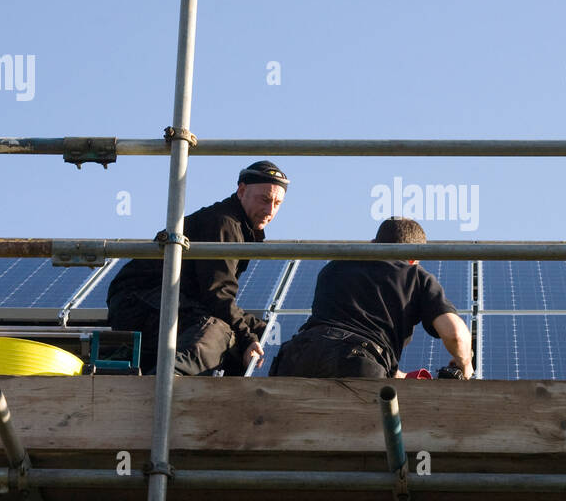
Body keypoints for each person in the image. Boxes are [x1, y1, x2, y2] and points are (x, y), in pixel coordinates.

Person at [106, 160, 288, 376]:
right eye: (265, 200)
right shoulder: (225, 224)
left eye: (277, 204)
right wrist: (248, 336)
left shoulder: (239, 227)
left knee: (235, 335)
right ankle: (167, 383)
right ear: (241, 191)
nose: (270, 210)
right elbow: (217, 296)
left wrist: (259, 329)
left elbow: (215, 298)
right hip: (140, 299)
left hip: (160, 300)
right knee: (218, 331)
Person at [269, 217, 474, 380]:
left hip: (298, 355)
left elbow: (340, 337)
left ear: (373, 243)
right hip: (357, 363)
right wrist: (465, 365)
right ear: (413, 259)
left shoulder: (333, 267)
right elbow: (455, 334)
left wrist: (399, 375)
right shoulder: (416, 276)